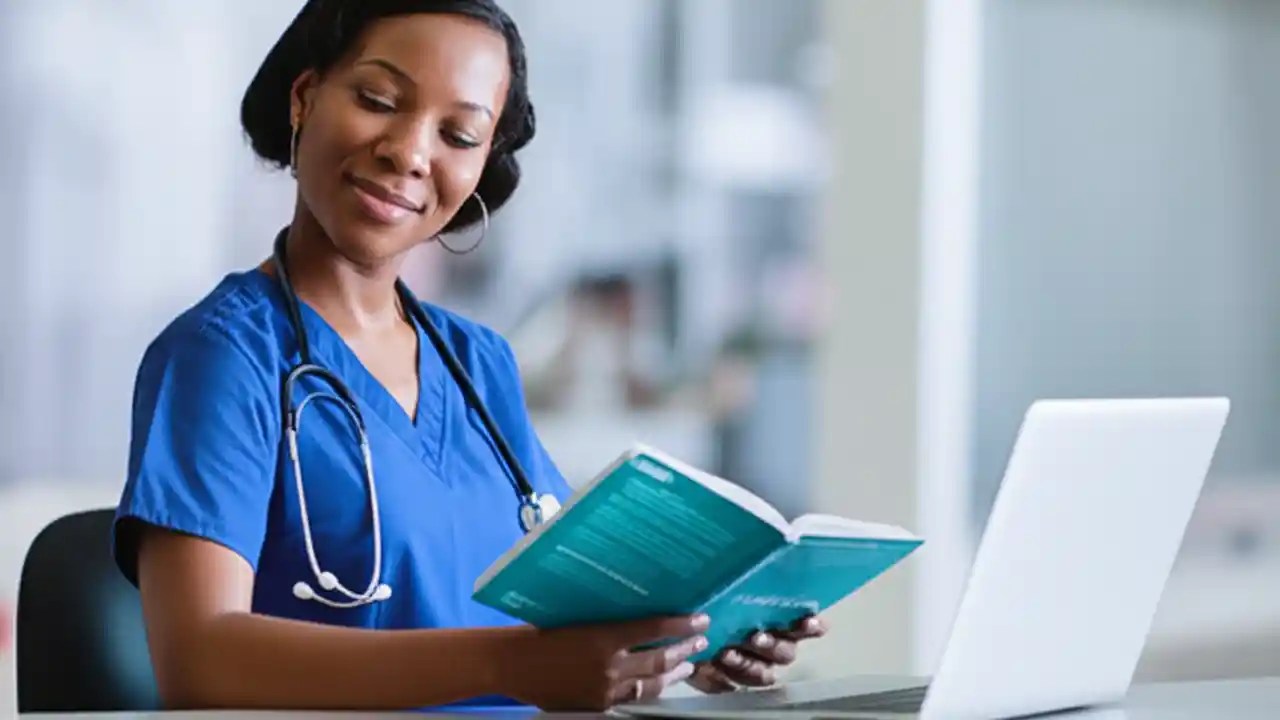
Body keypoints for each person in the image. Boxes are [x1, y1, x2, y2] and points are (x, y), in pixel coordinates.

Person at [111, 0, 826, 712]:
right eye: (377, 100)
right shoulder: (222, 357)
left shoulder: (478, 364)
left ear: (483, 165)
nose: (410, 152)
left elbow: (569, 609)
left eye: (458, 134)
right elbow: (200, 661)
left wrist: (690, 641)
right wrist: (509, 664)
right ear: (304, 98)